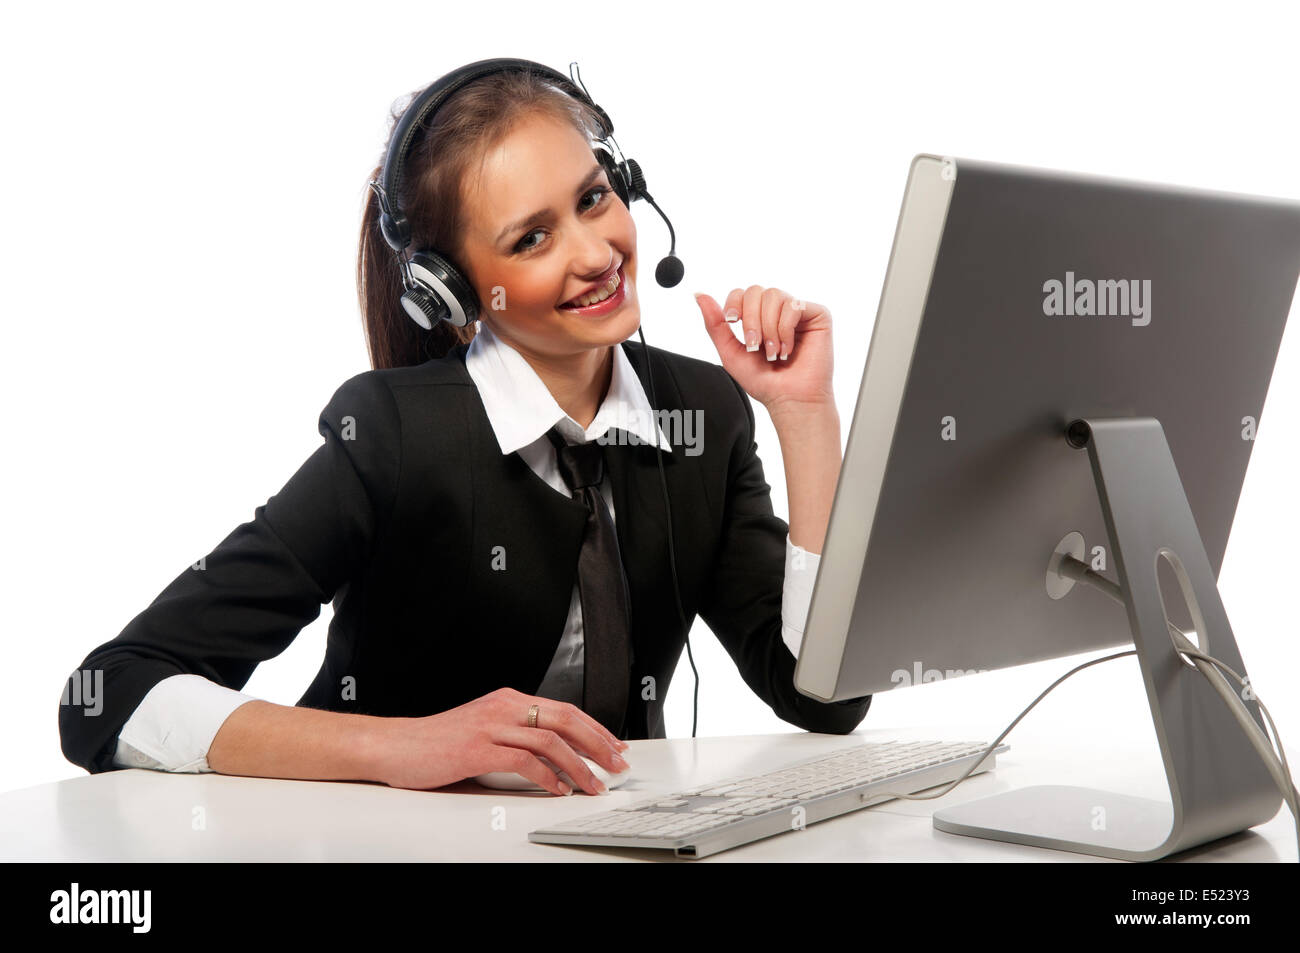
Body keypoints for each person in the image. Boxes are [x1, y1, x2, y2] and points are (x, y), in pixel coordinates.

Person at [58, 63, 872, 798]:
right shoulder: (392, 436)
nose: (596, 252)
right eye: (533, 237)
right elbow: (109, 691)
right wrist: (405, 745)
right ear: (452, 291)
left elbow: (820, 694)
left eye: (594, 197)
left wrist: (805, 416)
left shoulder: (701, 415)